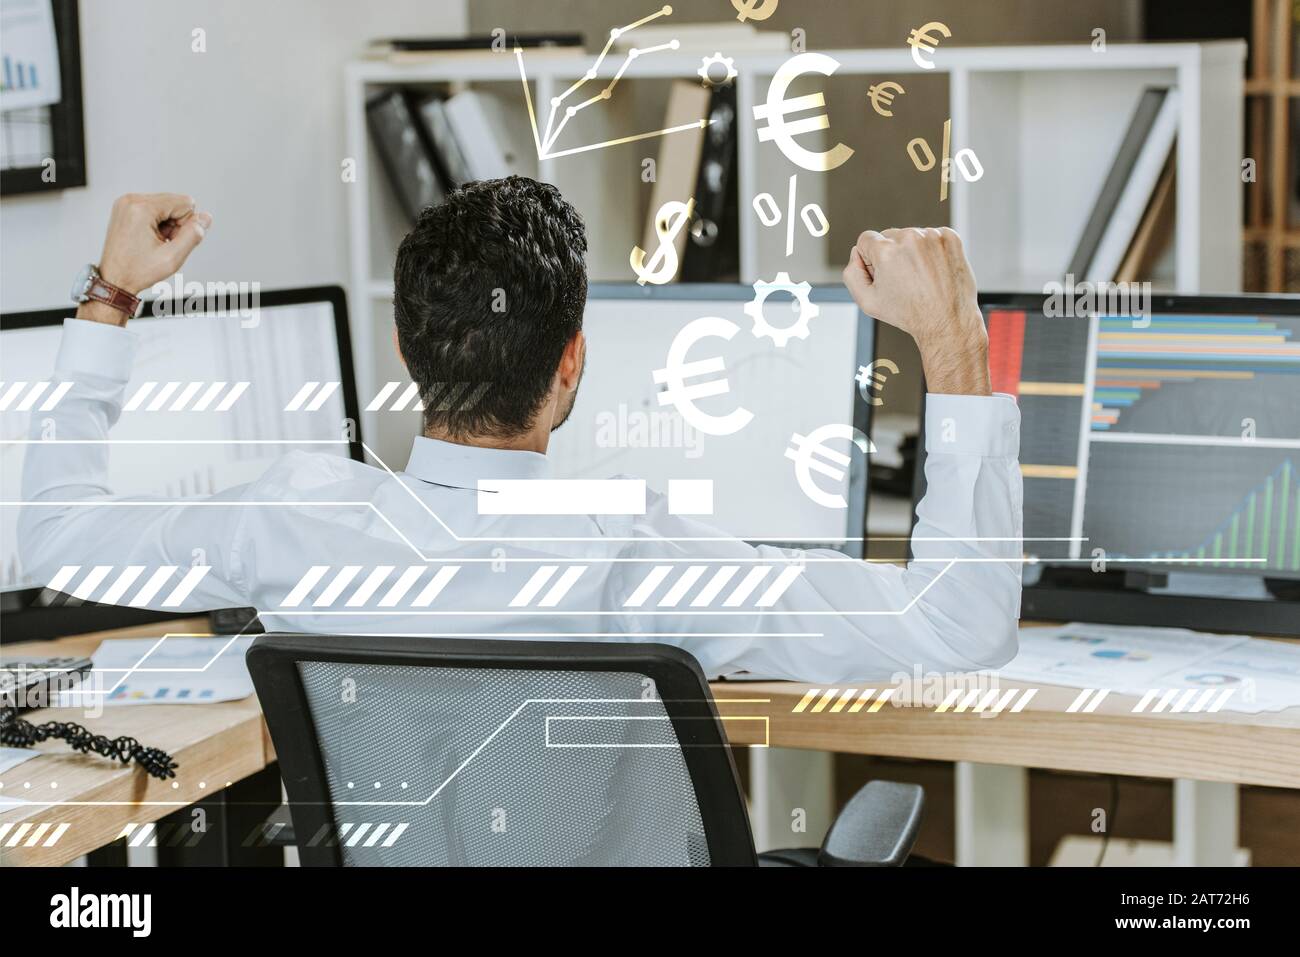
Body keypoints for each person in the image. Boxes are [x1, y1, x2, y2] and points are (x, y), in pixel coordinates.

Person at [19, 177, 1022, 682]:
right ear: (571, 361)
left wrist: (109, 297)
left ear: (406, 354)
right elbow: (958, 626)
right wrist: (952, 343)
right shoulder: (646, 553)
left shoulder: (293, 516)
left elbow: (51, 531)